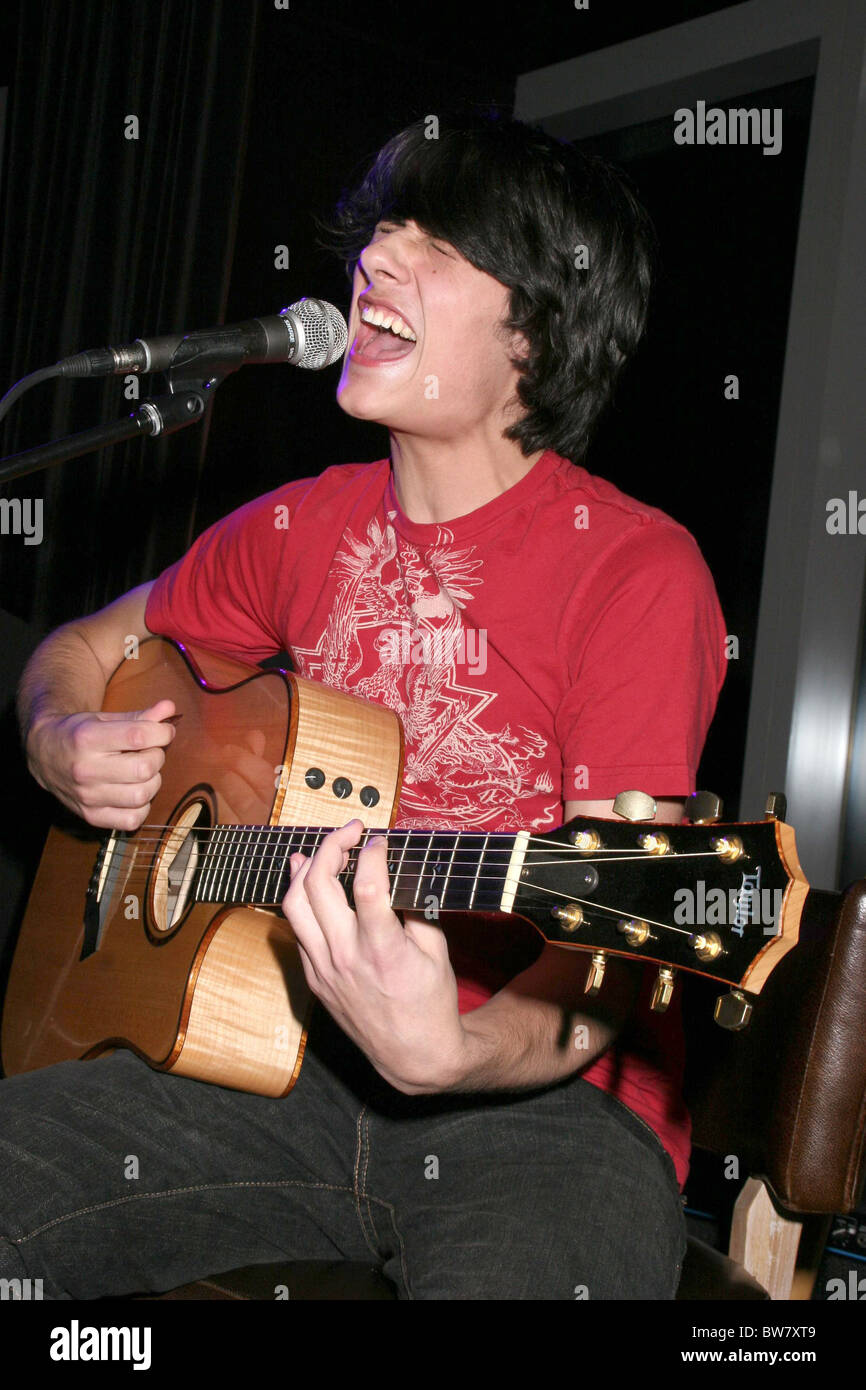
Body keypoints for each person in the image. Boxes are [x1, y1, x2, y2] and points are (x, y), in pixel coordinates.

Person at [1, 110, 726, 1300]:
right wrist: (56, 734)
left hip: (542, 1112)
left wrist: (454, 1049)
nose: (378, 257)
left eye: (437, 243)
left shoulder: (636, 573)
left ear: (535, 337)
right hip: (271, 1068)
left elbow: (619, 964)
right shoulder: (301, 526)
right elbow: (86, 645)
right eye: (385, 226)